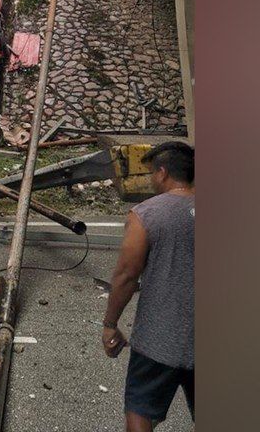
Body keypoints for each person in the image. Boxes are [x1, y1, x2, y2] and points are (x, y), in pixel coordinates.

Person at [100, 141, 195, 430]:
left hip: (157, 339)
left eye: (153, 173)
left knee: (140, 410)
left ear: (163, 173)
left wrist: (110, 323)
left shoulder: (146, 214)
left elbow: (127, 275)